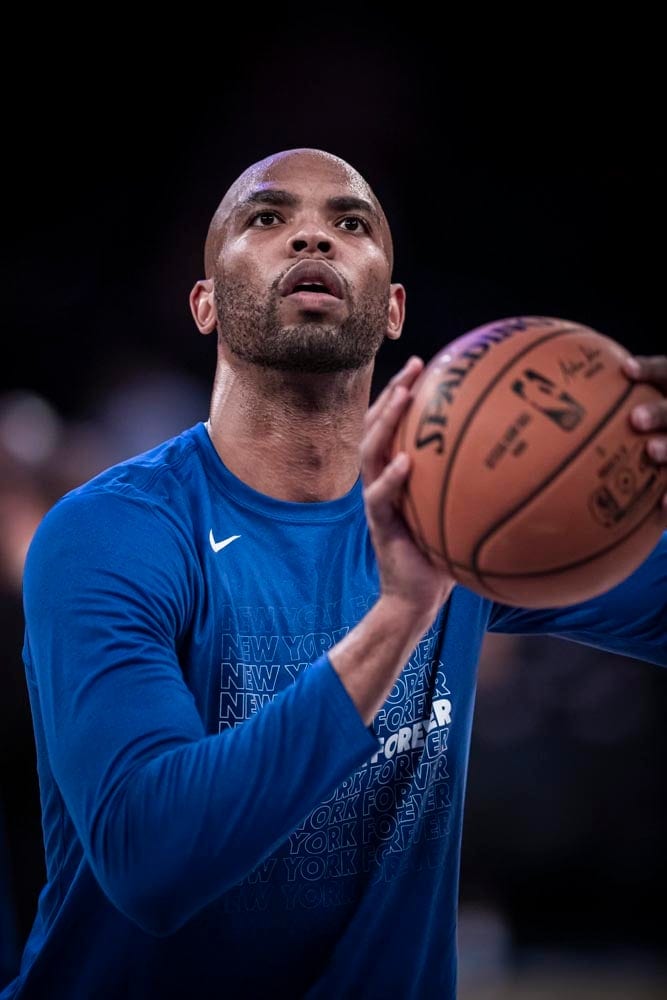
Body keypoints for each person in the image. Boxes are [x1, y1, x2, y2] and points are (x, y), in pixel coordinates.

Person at [2, 148, 665, 999]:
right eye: (266, 218)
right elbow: (151, 863)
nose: (312, 235)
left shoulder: (457, 523)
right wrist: (398, 615)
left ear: (392, 310)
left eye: (349, 223)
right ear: (204, 303)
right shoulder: (111, 533)